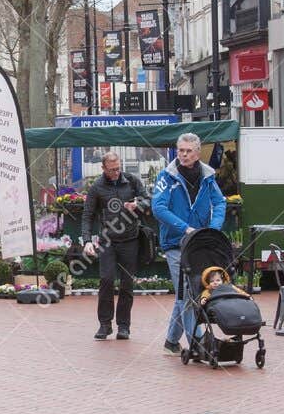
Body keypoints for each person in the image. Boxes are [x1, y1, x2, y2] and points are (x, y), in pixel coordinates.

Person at [152, 134, 228, 354]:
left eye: (188, 151)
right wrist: (185, 228)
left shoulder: (207, 176)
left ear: (197, 152)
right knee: (187, 291)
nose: (183, 154)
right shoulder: (167, 176)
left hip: (199, 243)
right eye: (180, 150)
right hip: (176, 242)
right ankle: (197, 341)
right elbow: (158, 208)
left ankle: (171, 341)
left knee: (185, 292)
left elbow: (220, 203)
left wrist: (213, 230)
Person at [83, 152, 152, 341]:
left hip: (130, 240)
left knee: (127, 284)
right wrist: (87, 240)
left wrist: (137, 204)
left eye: (117, 168)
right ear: (103, 168)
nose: (115, 172)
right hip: (107, 242)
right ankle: (105, 324)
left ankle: (123, 326)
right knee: (106, 280)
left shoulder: (131, 181)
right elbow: (87, 215)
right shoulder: (97, 187)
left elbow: (148, 200)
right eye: (111, 169)